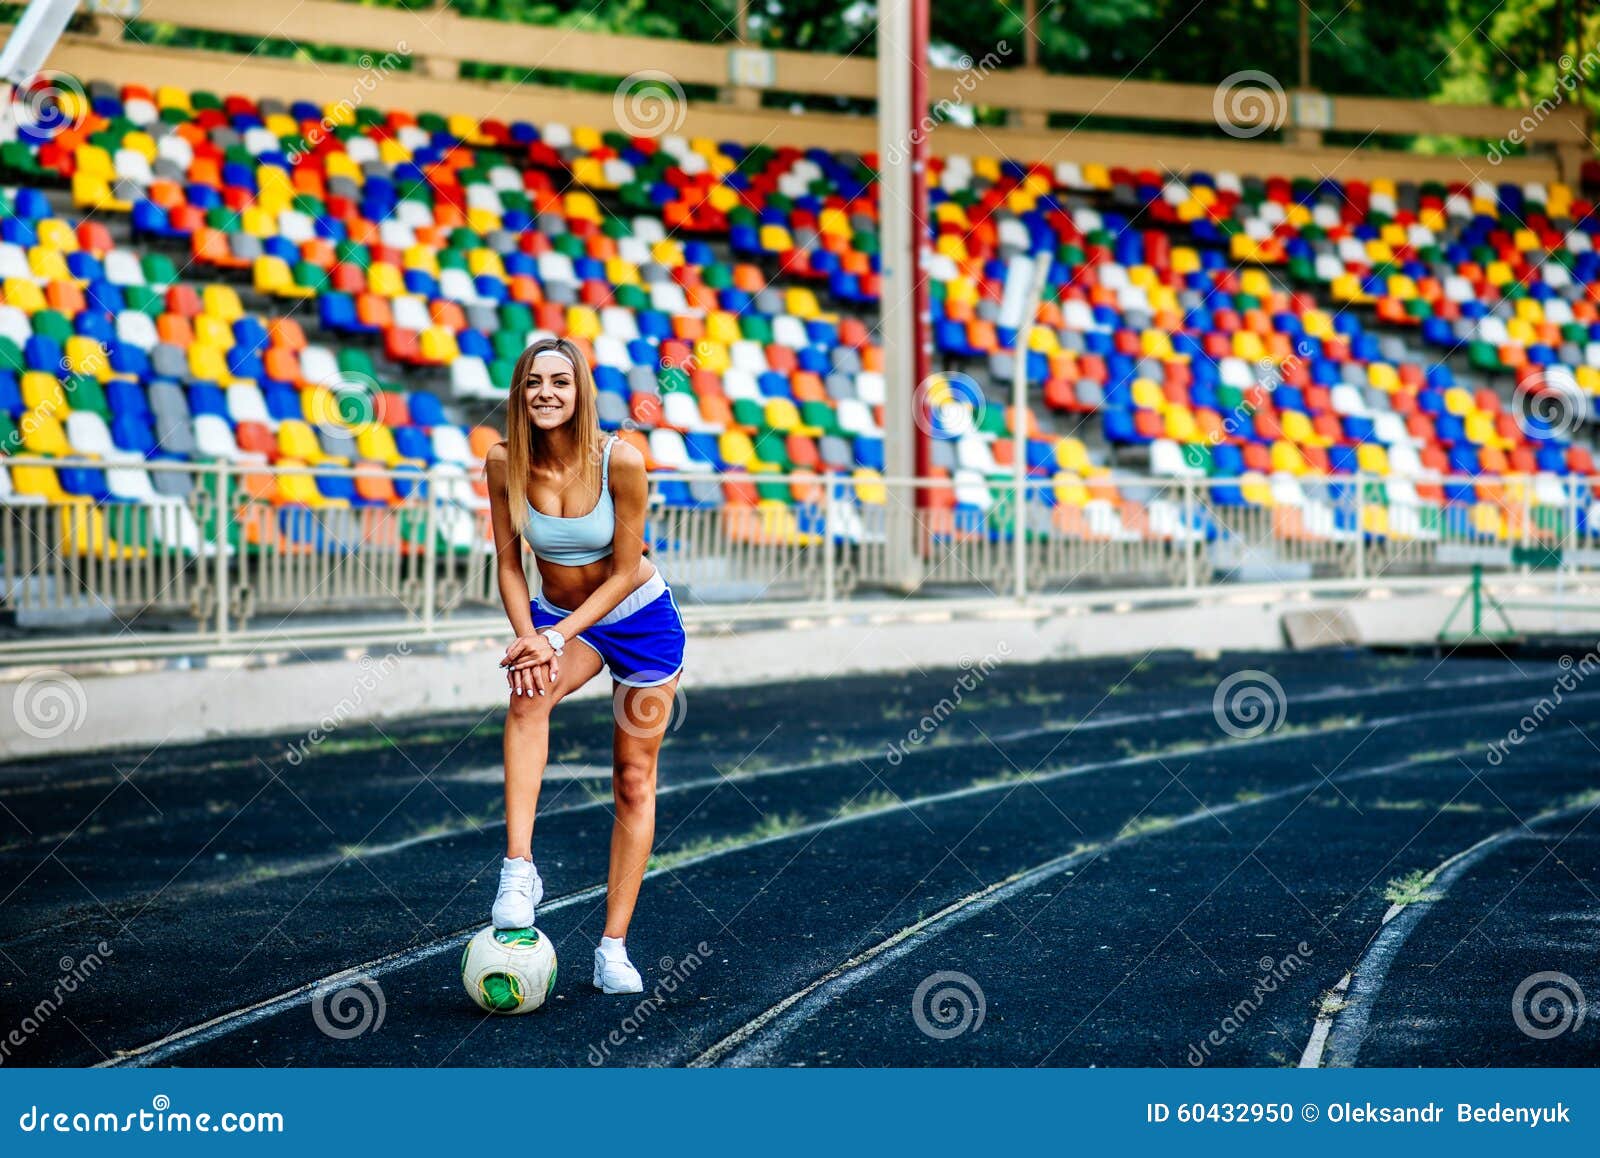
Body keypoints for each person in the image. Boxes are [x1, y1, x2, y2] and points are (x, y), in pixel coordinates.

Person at [482, 336, 685, 994]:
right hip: (560, 623)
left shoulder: (620, 460)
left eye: (560, 382)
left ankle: (612, 949)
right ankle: (519, 871)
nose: (546, 393)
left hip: (640, 622)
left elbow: (625, 571)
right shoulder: (503, 462)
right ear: (520, 392)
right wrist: (530, 639)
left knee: (633, 780)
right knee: (527, 696)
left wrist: (554, 634)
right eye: (534, 382)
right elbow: (509, 566)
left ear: (580, 392)